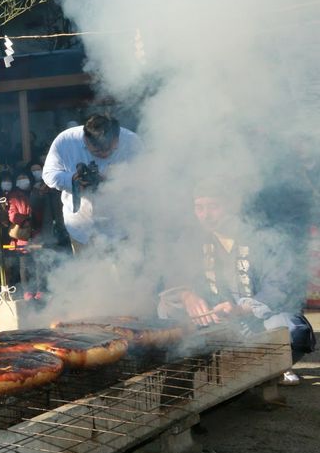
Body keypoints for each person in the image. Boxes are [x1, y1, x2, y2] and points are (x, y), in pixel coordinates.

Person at [158, 180, 316, 385]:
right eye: (199, 208)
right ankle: (201, 361)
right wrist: (186, 295)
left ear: (233, 205)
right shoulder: (191, 237)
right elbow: (174, 274)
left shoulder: (262, 236)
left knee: (292, 328)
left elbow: (280, 287)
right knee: (164, 307)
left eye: (214, 206)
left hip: (256, 320)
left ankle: (277, 365)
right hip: (215, 320)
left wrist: (241, 309)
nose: (206, 215)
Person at [42, 114, 141, 253]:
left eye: (110, 150)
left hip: (121, 225)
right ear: (85, 139)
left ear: (117, 138)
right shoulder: (66, 141)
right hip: (81, 226)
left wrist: (115, 180)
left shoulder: (132, 142)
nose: (105, 154)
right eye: (97, 151)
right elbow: (48, 174)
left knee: (125, 273)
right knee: (88, 273)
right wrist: (72, 180)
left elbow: (147, 175)